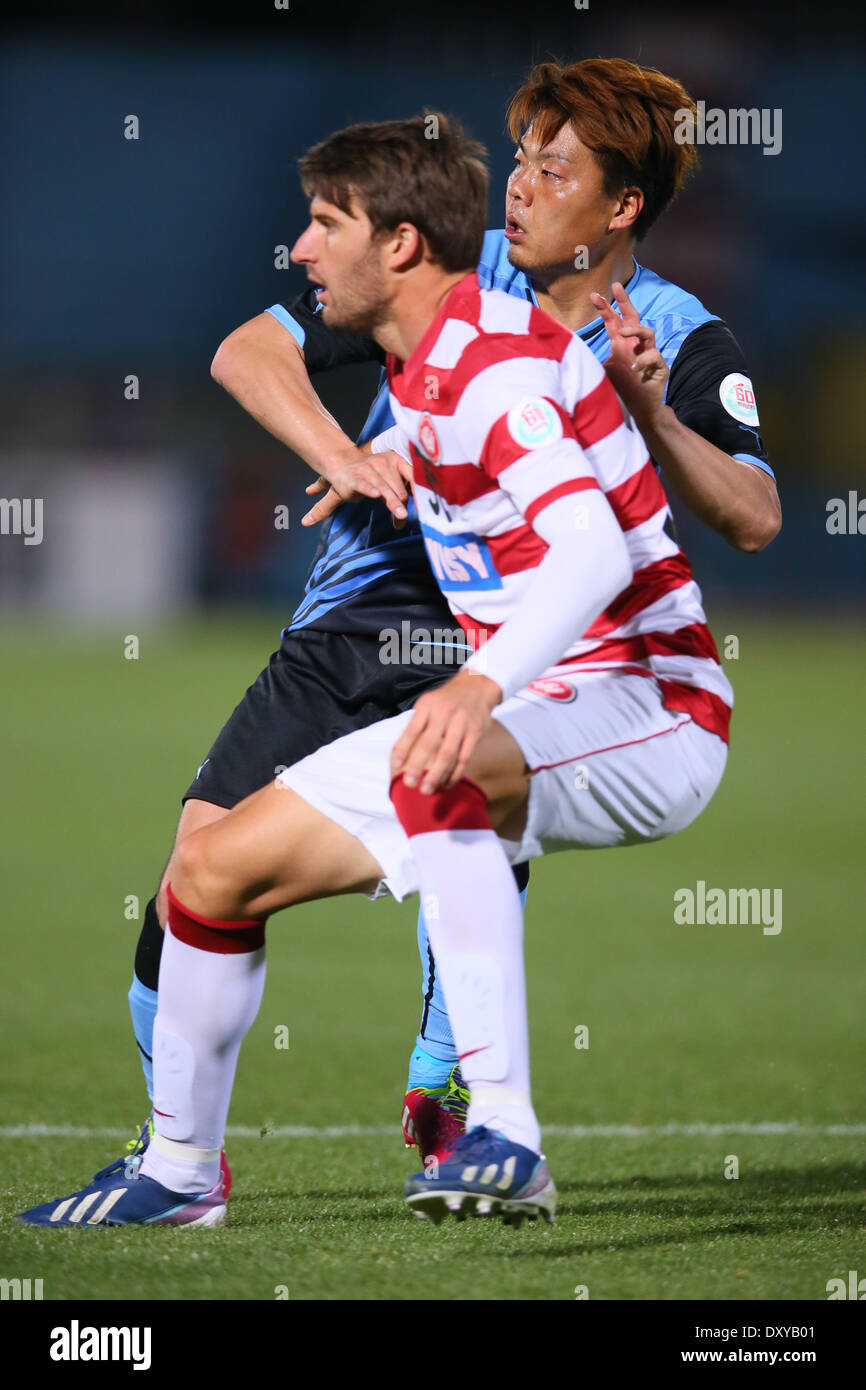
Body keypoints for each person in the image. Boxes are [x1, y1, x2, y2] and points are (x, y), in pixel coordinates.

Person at [32, 57, 781, 1204]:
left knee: (455, 775)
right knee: (205, 871)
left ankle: (487, 1117)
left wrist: (481, 680)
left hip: (586, 669)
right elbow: (252, 350)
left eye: (553, 166)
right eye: (516, 159)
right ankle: (180, 1167)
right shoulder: (454, 310)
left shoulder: (577, 347)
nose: (519, 188)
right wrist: (349, 458)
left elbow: (718, 521)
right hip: (379, 615)